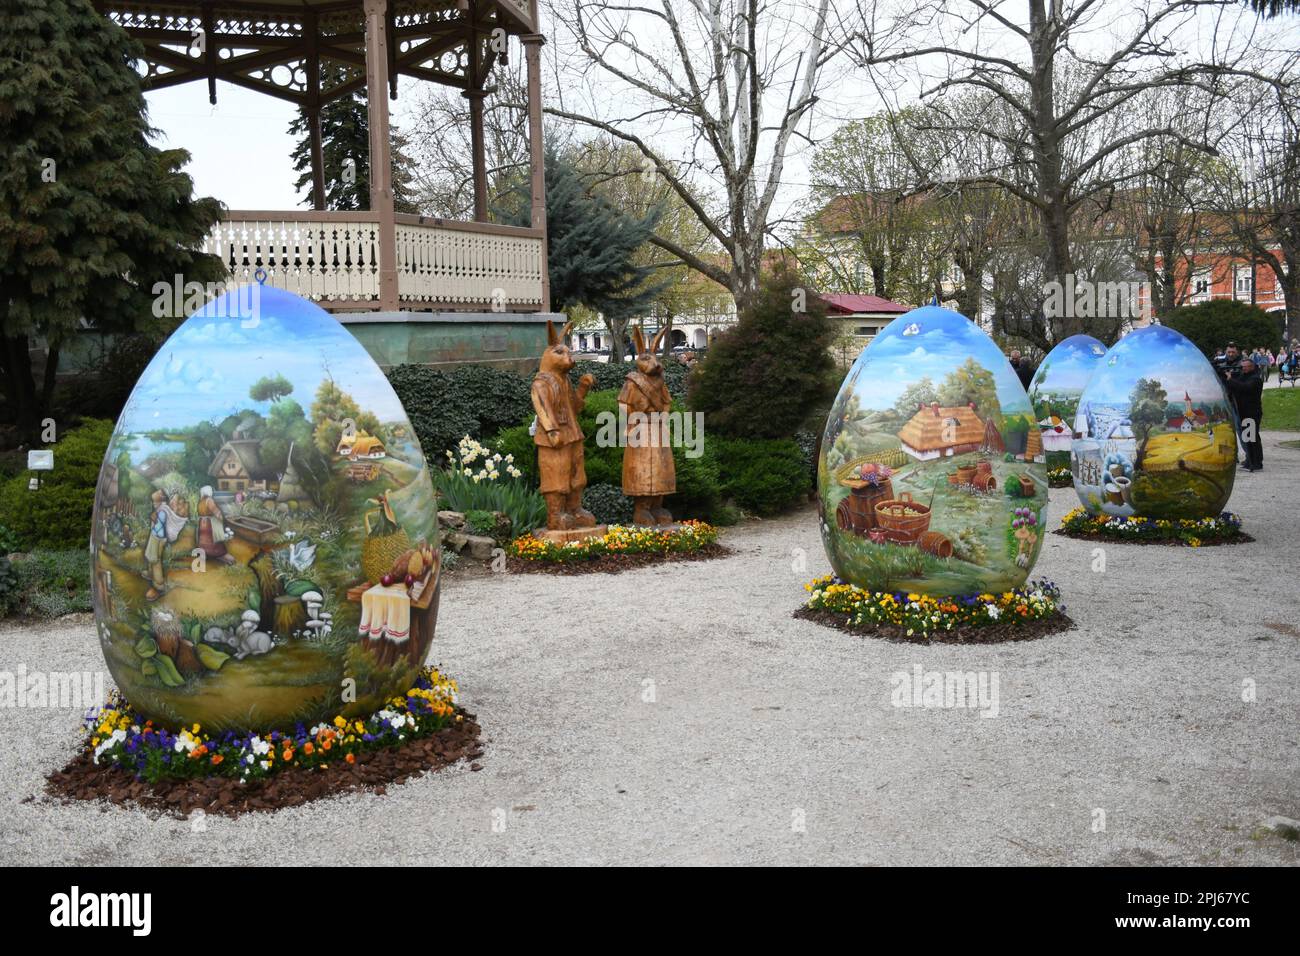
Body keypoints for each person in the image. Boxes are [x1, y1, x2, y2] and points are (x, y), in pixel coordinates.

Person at [1224, 356, 1264, 472]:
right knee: (1248, 438)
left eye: (1245, 367)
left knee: (1252, 438)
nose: (1243, 369)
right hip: (1244, 413)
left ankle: (1255, 463)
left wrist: (1230, 379)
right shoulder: (1244, 376)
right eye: (1242, 367)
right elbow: (1235, 385)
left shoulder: (1255, 379)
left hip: (1251, 413)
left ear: (1251, 367)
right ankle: (1250, 461)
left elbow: (1244, 387)